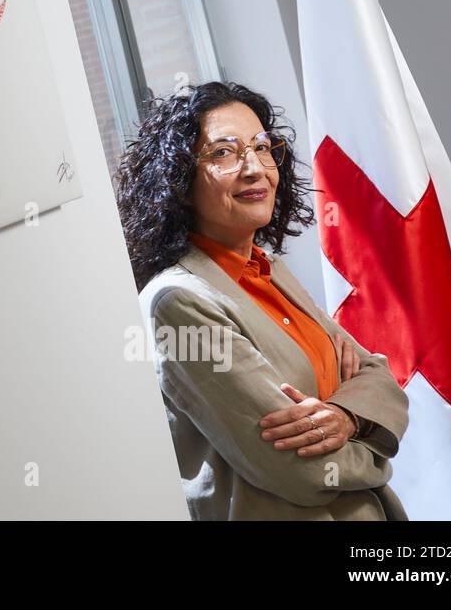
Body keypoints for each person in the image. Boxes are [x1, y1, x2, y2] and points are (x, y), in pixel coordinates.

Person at [115, 80, 409, 520]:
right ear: (177, 178)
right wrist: (376, 445)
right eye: (223, 152)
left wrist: (345, 417)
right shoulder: (177, 302)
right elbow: (303, 471)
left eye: (263, 147)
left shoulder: (267, 267)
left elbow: (380, 376)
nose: (255, 168)